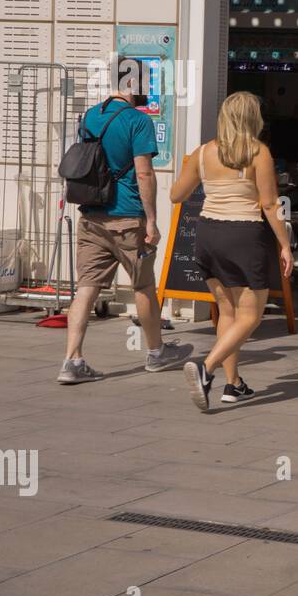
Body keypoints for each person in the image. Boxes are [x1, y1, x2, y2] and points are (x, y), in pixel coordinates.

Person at [171, 91, 294, 411]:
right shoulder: (259, 153)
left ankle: (233, 384)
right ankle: (206, 369)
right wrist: (284, 244)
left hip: (208, 234)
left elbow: (176, 195)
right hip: (244, 235)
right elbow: (269, 204)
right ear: (254, 118)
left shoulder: (202, 152)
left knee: (227, 312)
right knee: (251, 315)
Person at [57, 92, 192, 383]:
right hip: (128, 218)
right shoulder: (138, 120)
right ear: (131, 84)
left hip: (92, 217)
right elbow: (144, 174)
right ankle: (157, 353)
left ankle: (72, 360)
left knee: (86, 287)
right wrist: (152, 220)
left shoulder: (91, 116)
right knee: (143, 286)